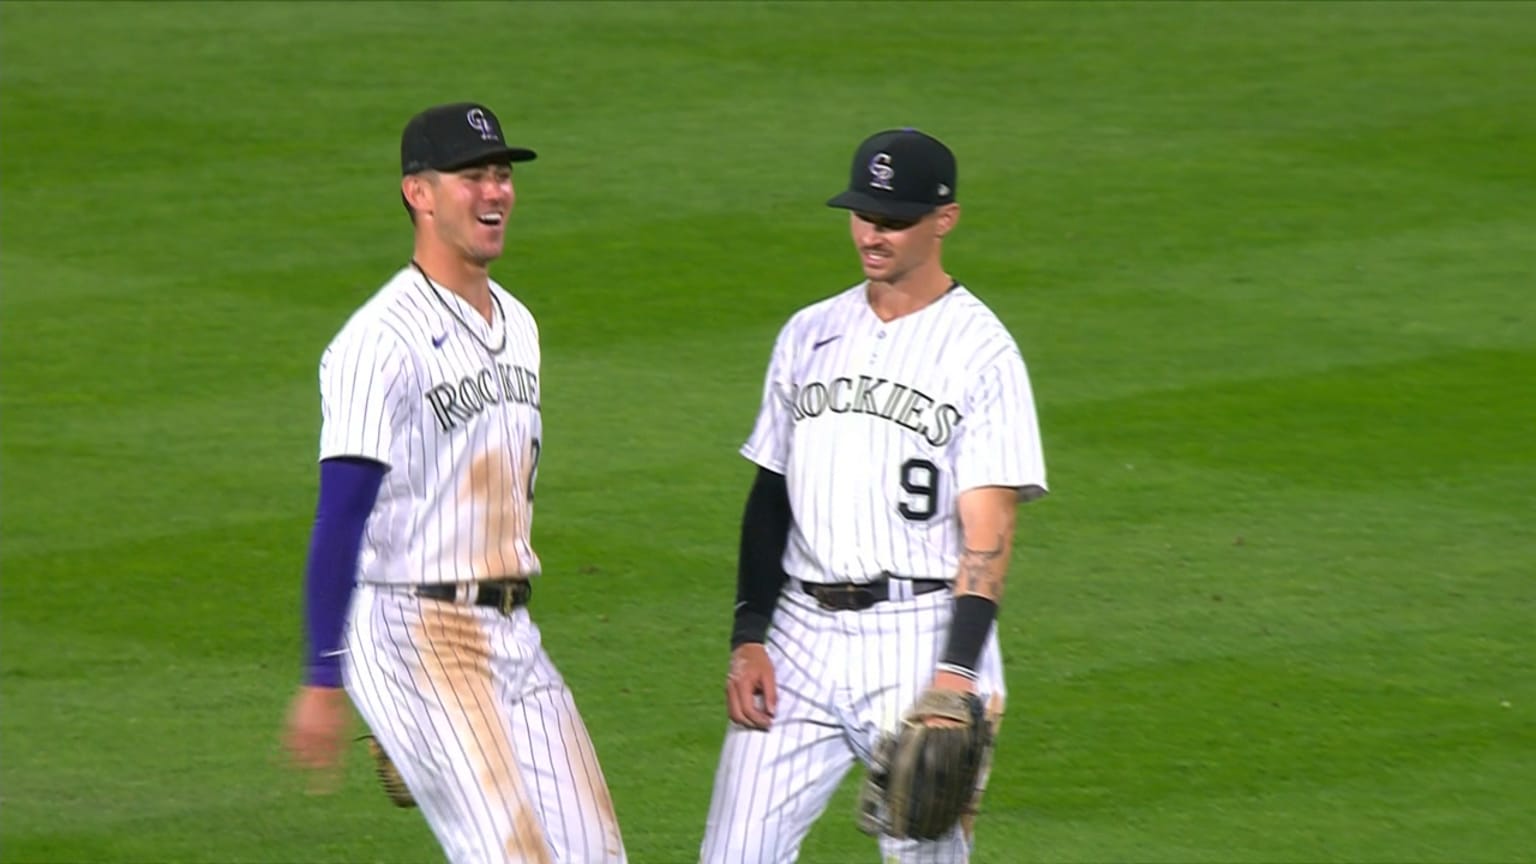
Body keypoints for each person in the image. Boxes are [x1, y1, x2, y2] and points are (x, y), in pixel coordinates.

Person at [282, 102, 626, 863]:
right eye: (472, 177)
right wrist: (324, 678)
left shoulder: (520, 324)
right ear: (420, 193)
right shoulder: (378, 342)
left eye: (502, 176)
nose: (495, 193)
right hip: (413, 630)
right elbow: (340, 514)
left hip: (510, 632)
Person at [698, 129, 1048, 863]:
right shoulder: (809, 333)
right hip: (800, 637)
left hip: (919, 639)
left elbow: (991, 532)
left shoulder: (983, 352)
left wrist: (956, 674)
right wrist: (749, 634)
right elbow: (770, 495)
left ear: (943, 220)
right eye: (862, 215)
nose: (871, 233)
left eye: (892, 220)